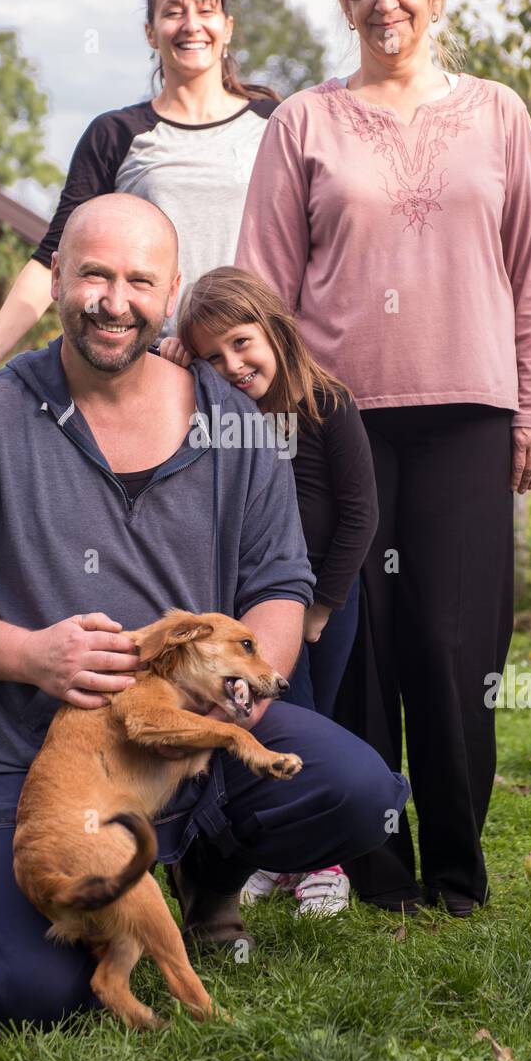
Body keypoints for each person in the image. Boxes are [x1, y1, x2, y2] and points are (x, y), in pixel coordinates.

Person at [0, 192, 410, 1029]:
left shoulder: (233, 424)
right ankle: (83, 890)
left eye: (138, 281)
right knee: (30, 997)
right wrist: (28, 654)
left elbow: (279, 581)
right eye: (93, 275)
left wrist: (244, 689)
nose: (113, 300)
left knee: (362, 793)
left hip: (196, 730)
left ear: (170, 294)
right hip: (40, 757)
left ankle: (207, 867)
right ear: (55, 283)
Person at [234, 0, 531, 919]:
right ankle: (379, 873)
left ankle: (458, 876)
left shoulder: (500, 112)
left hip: (469, 410)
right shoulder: (304, 122)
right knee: (358, 643)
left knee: (456, 645)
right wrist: (265, 418)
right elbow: (263, 283)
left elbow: (530, 270)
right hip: (340, 420)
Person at [0, 0, 280, 394]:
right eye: (173, 12)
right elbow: (54, 252)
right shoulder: (116, 134)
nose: (191, 25)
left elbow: (304, 244)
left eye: (205, 11)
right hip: (163, 366)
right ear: (151, 32)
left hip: (254, 364)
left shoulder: (275, 123)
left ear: (228, 27)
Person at [163, 265, 379, 918]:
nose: (230, 363)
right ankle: (274, 856)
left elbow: (360, 512)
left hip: (319, 607)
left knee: (311, 721)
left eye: (241, 342)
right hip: (251, 606)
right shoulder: (218, 420)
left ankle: (324, 862)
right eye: (210, 355)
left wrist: (320, 607)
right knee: (258, 716)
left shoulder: (324, 404)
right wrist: (168, 355)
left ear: (273, 329)